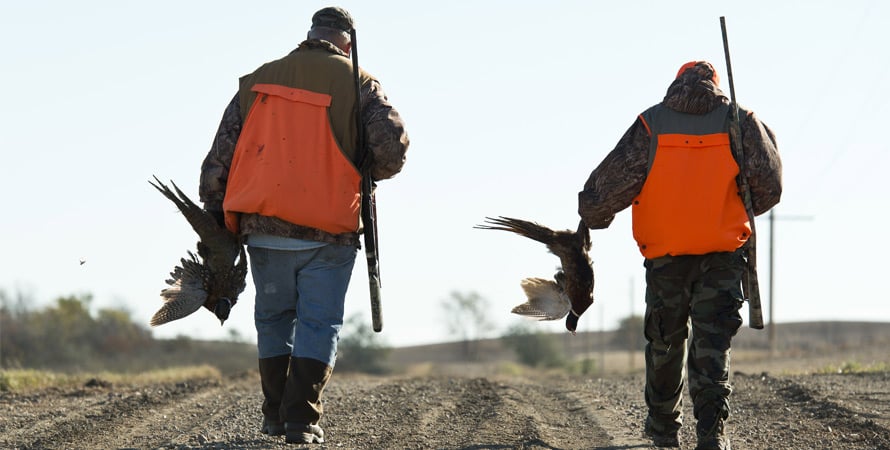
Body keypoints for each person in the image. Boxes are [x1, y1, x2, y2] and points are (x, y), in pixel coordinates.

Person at [199, 6, 409, 445]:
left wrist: (220, 218)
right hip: (329, 227)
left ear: (310, 34)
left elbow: (219, 160)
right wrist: (358, 165)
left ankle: (274, 417)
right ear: (347, 43)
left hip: (263, 226)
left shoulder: (256, 80)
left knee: (273, 318)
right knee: (319, 322)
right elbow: (392, 153)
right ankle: (301, 420)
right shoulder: (361, 82)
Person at [578, 61, 781, 450]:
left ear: (677, 84)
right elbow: (769, 186)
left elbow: (607, 189)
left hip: (666, 257)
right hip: (723, 254)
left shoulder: (652, 124)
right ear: (716, 86)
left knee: (664, 341)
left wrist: (593, 216)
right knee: (712, 345)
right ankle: (711, 433)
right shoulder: (740, 121)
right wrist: (736, 199)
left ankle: (663, 430)